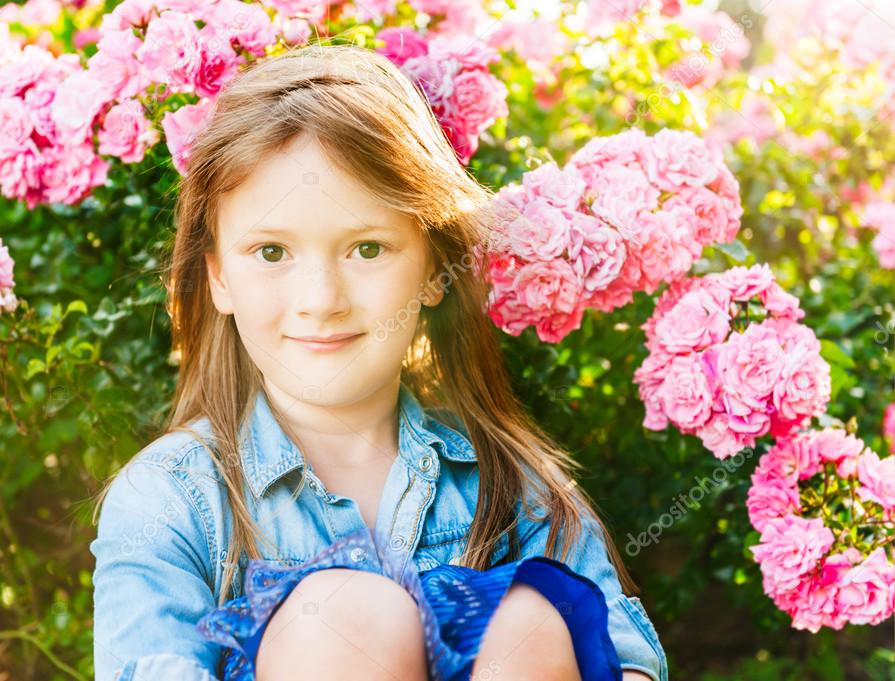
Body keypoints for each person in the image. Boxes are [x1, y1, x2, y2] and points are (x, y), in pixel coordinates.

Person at [90, 42, 668, 681]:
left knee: (528, 621)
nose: (321, 301)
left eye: (367, 249)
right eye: (272, 252)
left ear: (430, 269)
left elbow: (629, 663)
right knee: (344, 617)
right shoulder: (171, 501)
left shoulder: (514, 487)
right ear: (218, 275)